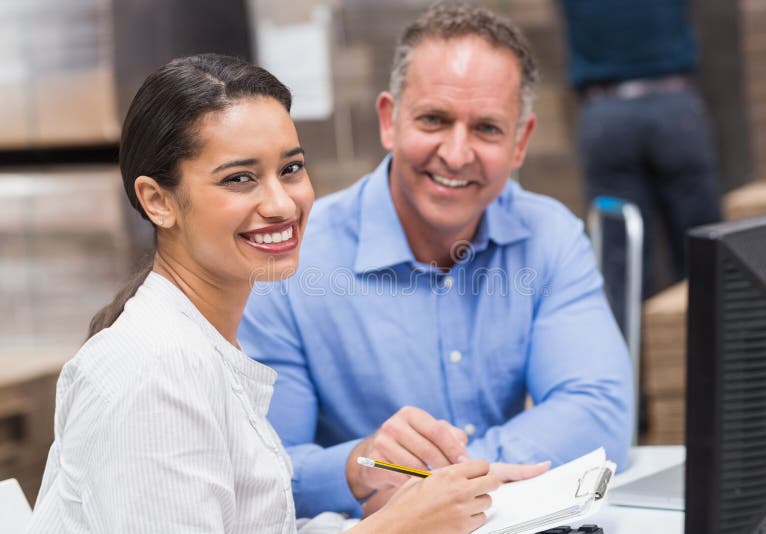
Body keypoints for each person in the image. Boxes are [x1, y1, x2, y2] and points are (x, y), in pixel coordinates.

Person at [27, 53, 530, 533]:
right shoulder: (154, 373)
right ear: (158, 201)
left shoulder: (204, 345)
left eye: (290, 169)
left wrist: (408, 503)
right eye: (240, 178)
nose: (280, 203)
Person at [239, 3, 633, 520]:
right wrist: (359, 466)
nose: (455, 152)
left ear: (520, 143)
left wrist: (442, 485)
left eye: (487, 128)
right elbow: (263, 476)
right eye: (434, 119)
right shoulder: (288, 262)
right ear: (389, 120)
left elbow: (599, 412)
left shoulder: (549, 236)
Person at [559, 0, 722, 324]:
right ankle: (725, 366)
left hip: (606, 110)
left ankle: (626, 369)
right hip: (673, 105)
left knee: (620, 266)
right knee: (704, 253)